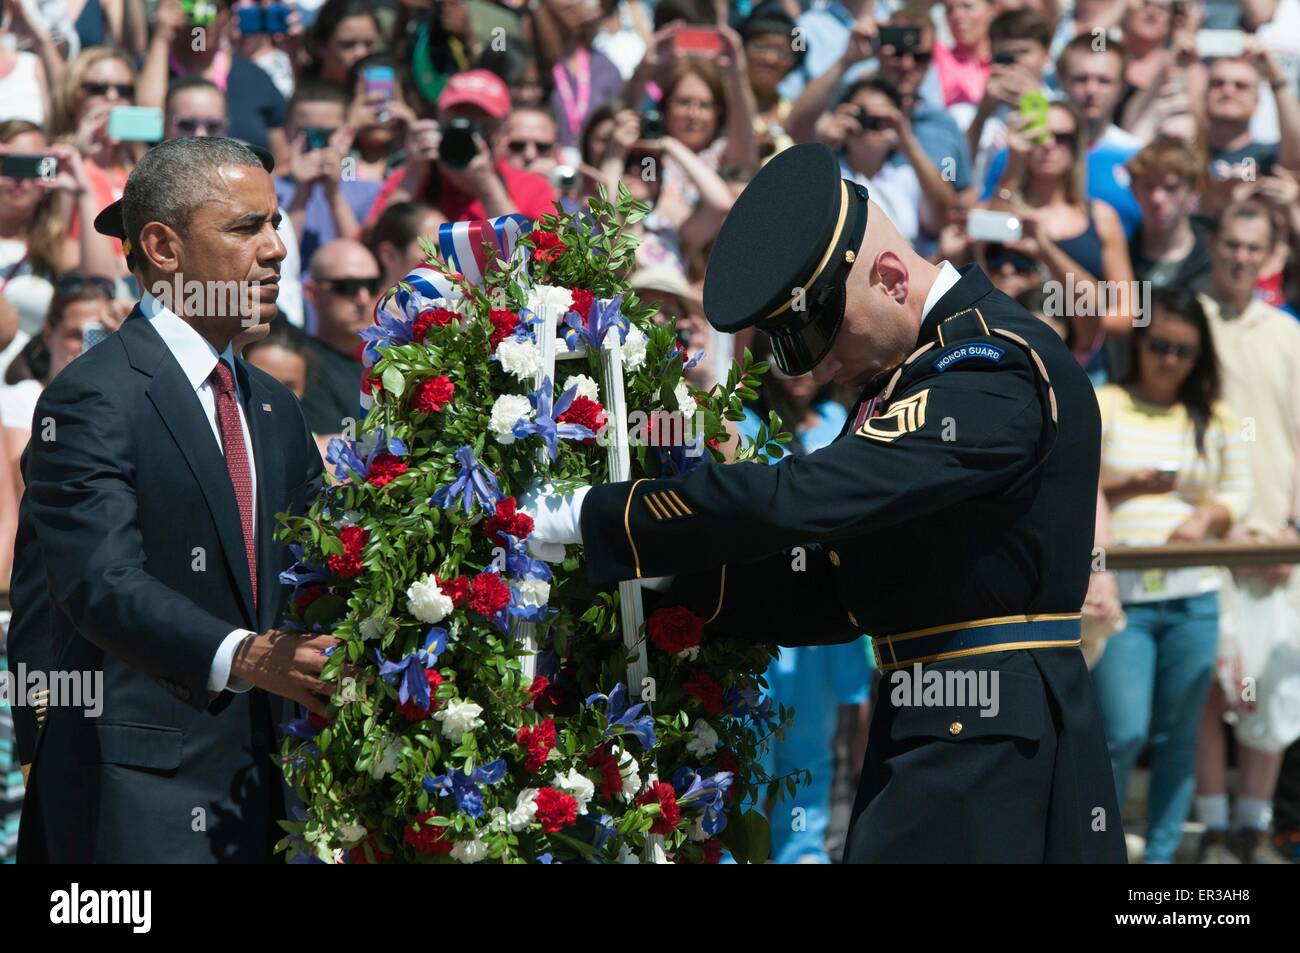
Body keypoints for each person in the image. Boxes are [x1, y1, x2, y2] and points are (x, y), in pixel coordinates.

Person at [524, 142, 1127, 863]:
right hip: (940, 729)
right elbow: (838, 589)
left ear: (892, 277)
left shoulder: (989, 368)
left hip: (992, 745)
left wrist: (604, 515)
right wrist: (668, 577)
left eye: (823, 335)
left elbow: (804, 497)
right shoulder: (910, 374)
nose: (820, 366)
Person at [13, 137, 333, 863]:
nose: (278, 248)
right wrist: (246, 654)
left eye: (276, 223)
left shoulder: (274, 408)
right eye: (246, 227)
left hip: (271, 801)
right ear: (162, 245)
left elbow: (321, 571)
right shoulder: (93, 395)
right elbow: (100, 582)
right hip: (133, 808)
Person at [1091, 289, 1250, 864]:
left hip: (1195, 597)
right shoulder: (1104, 402)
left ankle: (1157, 865)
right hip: (1123, 600)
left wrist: (1206, 516)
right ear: (1139, 343)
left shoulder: (1218, 416)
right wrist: (1131, 485)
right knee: (1124, 733)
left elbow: (1239, 492)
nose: (1171, 361)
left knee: (1178, 739)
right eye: (1160, 346)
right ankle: (1098, 849)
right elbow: (1074, 486)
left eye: (1185, 351)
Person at [1194, 199, 1300, 864]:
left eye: (1251, 247)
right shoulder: (1188, 322)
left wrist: (1292, 527)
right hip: (1201, 537)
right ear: (1216, 244)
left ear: (1270, 255)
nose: (1239, 256)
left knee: (1274, 684)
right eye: (1230, 243)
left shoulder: (1288, 333)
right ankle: (1212, 829)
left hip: (1273, 541)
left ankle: (1254, 826)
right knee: (1207, 685)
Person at [299, 238, 381, 437]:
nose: (363, 298)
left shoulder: (394, 358)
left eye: (371, 285)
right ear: (312, 293)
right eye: (347, 286)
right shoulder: (302, 367)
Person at [1127, 137, 1213, 293]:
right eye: (1149, 187)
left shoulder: (1215, 255)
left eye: (1171, 188)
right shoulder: (1119, 255)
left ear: (1194, 191)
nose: (1157, 198)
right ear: (1133, 189)